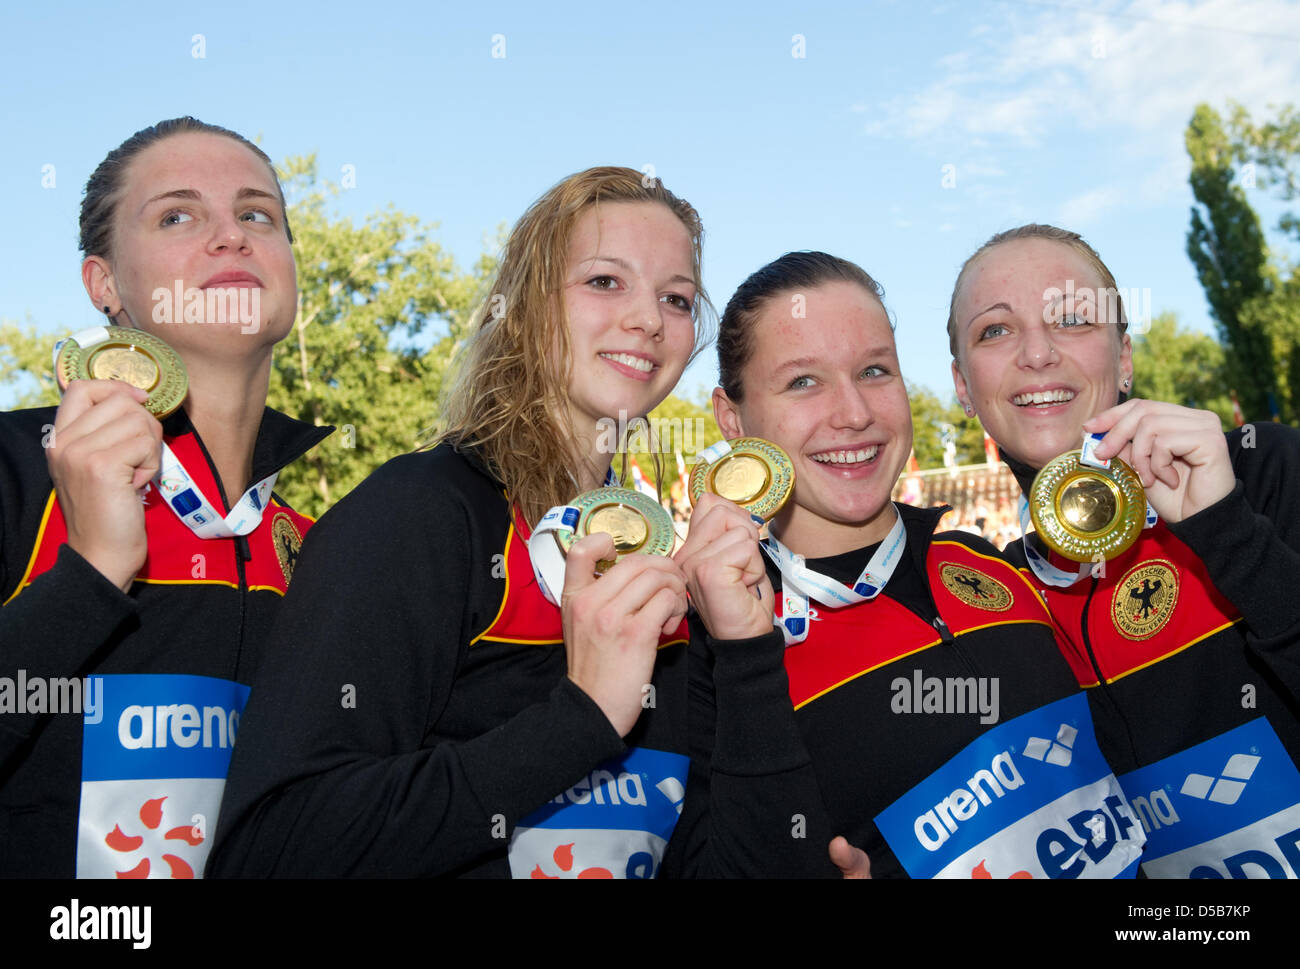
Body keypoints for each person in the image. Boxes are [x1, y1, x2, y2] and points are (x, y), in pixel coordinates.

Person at [208, 167, 812, 878]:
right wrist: (580, 715)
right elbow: (271, 848)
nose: (648, 318)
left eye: (675, 298)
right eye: (604, 281)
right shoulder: (419, 514)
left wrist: (745, 652)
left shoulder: (666, 577)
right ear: (522, 307)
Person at [677, 251, 1144, 878]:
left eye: (874, 370)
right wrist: (743, 656)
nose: (853, 414)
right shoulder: (702, 648)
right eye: (803, 382)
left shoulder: (991, 565)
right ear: (732, 420)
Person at [0, 118, 329, 877]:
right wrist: (92, 570)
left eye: (258, 215)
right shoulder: (19, 471)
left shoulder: (325, 548)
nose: (232, 236)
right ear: (104, 284)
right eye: (178, 215)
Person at [948, 223, 1300, 878]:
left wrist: (1230, 533)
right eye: (995, 330)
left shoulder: (1264, 472)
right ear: (963, 388)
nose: (1038, 353)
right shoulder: (994, 605)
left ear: (1126, 357)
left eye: (1074, 319)